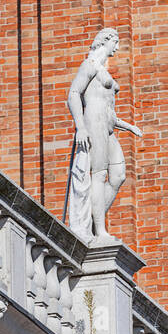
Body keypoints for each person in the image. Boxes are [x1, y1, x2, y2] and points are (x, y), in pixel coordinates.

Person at [66, 28, 141, 244]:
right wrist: (80, 127)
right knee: (98, 174)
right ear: (106, 41)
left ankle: (90, 217)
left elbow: (110, 110)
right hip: (93, 121)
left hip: (108, 124)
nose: (117, 47)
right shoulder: (90, 65)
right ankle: (100, 230)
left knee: (118, 175)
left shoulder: (101, 67)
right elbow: (73, 94)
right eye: (115, 42)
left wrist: (130, 127)